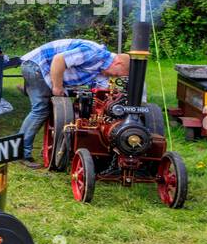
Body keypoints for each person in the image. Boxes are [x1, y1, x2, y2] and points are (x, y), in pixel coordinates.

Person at [18, 38, 130, 166]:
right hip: (36, 65)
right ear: (118, 64)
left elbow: (102, 95)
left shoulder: (103, 72)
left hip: (48, 72)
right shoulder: (94, 52)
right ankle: (20, 153)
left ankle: (33, 90)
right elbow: (58, 60)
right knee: (41, 109)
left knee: (57, 104)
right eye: (118, 75)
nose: (115, 77)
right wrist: (57, 87)